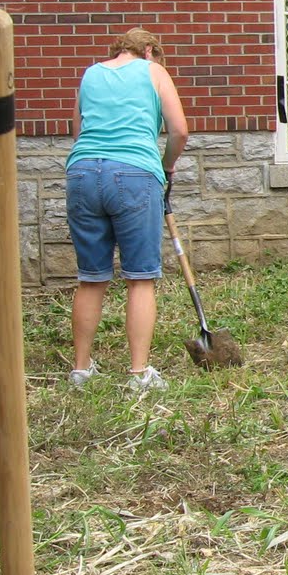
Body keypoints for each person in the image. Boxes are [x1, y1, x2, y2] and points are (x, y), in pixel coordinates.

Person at [65, 28, 189, 391]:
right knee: (140, 277)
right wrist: (165, 166)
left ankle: (81, 370)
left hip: (83, 172)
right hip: (135, 175)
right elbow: (179, 130)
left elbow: (78, 131)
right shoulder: (153, 71)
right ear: (149, 50)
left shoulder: (90, 73)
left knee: (92, 276)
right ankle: (138, 374)